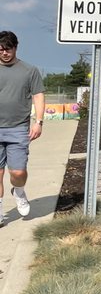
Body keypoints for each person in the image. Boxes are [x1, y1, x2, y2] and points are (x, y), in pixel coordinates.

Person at [0, 31, 44, 224]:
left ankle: (18, 191)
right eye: (1, 49)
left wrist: (39, 121)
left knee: (18, 173)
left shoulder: (29, 70)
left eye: (8, 49)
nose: (4, 53)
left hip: (18, 128)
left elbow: (38, 95)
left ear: (15, 48)